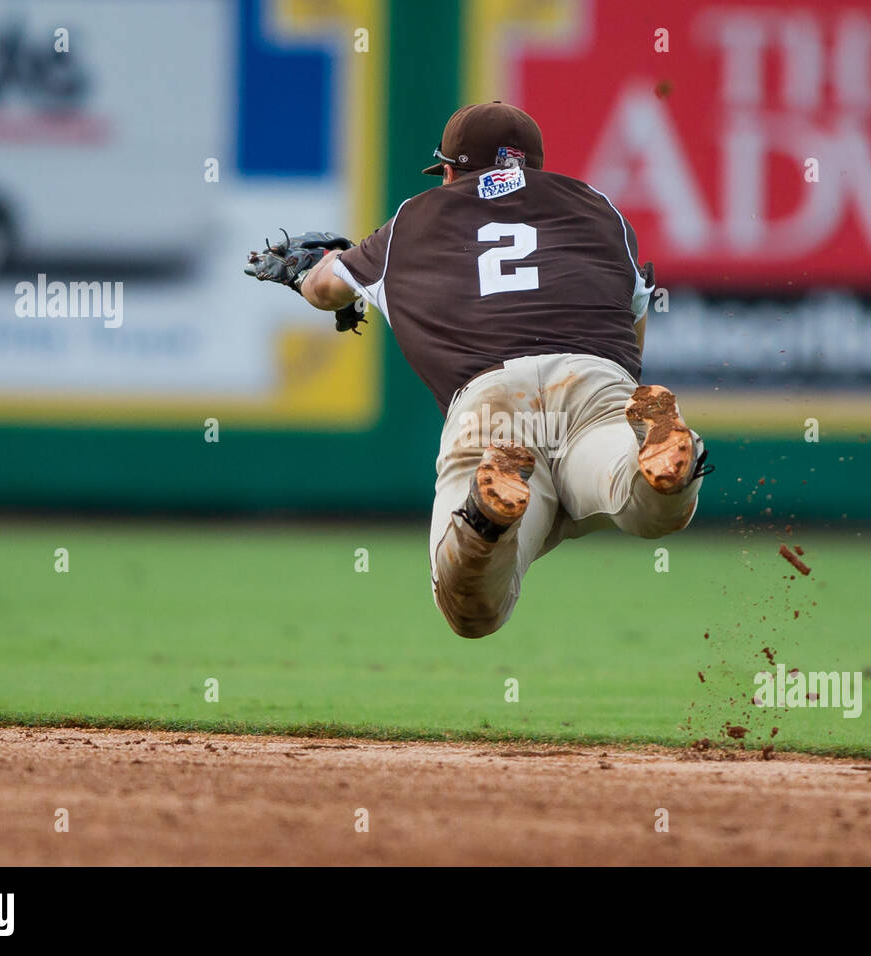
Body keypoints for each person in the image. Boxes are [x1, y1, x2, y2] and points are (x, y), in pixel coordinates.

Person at [245, 101, 710, 638]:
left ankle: (486, 517)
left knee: (472, 606)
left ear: (450, 170)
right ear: (531, 167)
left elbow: (325, 286)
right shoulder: (599, 208)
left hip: (492, 405)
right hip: (595, 384)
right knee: (642, 501)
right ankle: (656, 452)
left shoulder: (412, 221)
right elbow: (635, 327)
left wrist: (315, 268)